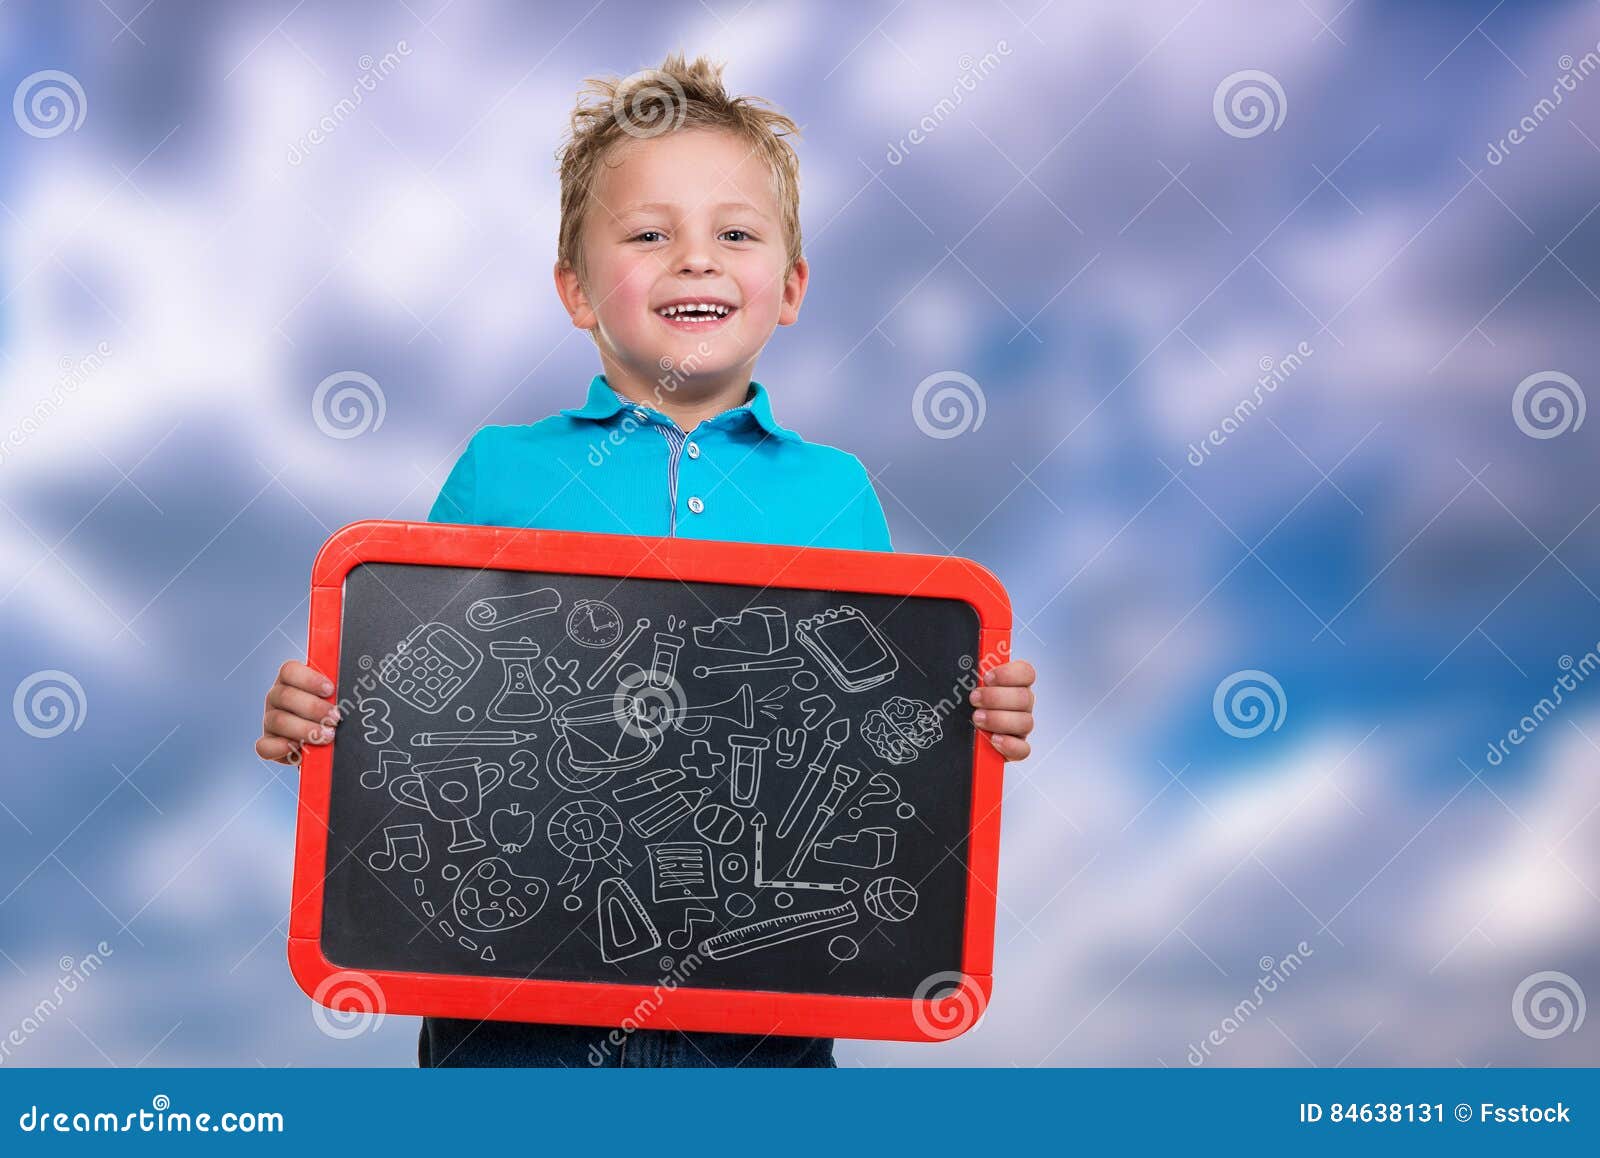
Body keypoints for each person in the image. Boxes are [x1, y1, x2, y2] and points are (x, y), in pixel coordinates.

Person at [256, 52, 1036, 1067]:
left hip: (762, 1027)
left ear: (789, 287)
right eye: (649, 234)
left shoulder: (834, 492)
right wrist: (315, 715)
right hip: (511, 1020)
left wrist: (972, 715)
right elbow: (402, 697)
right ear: (576, 291)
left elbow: (876, 737)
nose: (696, 259)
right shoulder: (500, 470)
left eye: (735, 233)